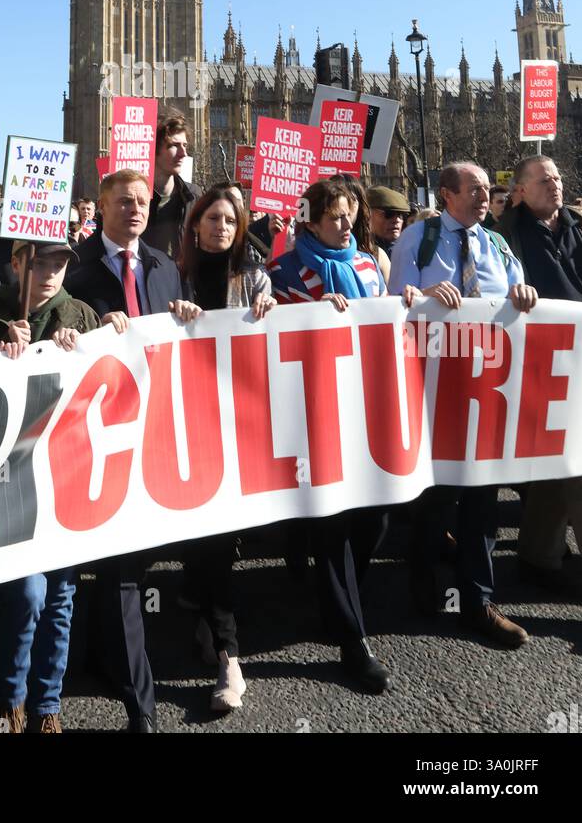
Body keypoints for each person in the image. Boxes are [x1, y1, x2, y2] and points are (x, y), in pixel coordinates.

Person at [269, 179, 417, 693]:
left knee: (376, 519)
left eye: (349, 213)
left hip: (367, 407)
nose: (345, 223)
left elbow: (387, 316)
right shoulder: (285, 272)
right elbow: (268, 333)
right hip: (314, 414)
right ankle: (352, 639)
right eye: (334, 215)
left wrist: (407, 300)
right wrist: (306, 315)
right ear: (310, 222)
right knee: (333, 525)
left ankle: (334, 590)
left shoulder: (368, 265)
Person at [389, 160, 538, 648]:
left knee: (482, 497)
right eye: (473, 189)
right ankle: (422, 576)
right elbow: (396, 300)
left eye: (486, 189)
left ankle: (478, 602)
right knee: (436, 494)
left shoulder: (495, 242)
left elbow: (519, 289)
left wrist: (523, 293)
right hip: (437, 387)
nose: (483, 196)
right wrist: (424, 294)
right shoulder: (418, 239)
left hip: (487, 386)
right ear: (446, 194)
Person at [67, 168, 192, 732]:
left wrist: (188, 318)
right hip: (95, 430)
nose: (136, 209)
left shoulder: (165, 267)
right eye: (124, 201)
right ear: (101, 206)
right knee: (115, 562)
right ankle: (139, 699)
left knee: (131, 558)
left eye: (142, 201)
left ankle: (107, 653)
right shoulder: (74, 267)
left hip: (151, 428)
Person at [0, 239, 100, 733]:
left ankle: (47, 705)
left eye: (59, 263)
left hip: (63, 473)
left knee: (61, 596)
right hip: (10, 478)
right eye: (39, 262)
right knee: (27, 594)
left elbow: (105, 380)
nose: (49, 273)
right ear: (17, 263)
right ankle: (10, 701)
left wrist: (101, 334)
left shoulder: (81, 315)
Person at [177, 186, 275, 711]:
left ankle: (213, 632)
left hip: (237, 421)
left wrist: (273, 310)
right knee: (206, 535)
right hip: (185, 420)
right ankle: (228, 654)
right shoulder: (174, 276)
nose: (221, 227)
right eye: (212, 218)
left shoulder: (255, 279)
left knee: (217, 536)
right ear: (195, 225)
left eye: (230, 220)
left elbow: (278, 339)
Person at [494, 156, 582, 592]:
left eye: (557, 177)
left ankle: (536, 557)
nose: (555, 184)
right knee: (579, 464)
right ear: (520, 191)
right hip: (539, 363)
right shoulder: (503, 238)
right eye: (544, 179)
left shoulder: (578, 228)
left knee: (556, 463)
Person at [141, 111, 201, 260]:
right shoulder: (135, 198)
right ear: (154, 149)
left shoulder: (193, 196)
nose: (183, 153)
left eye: (185, 145)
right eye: (174, 145)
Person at [367, 185, 410, 258]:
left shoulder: (410, 251)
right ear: (368, 214)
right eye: (389, 214)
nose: (397, 220)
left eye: (401, 215)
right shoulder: (357, 252)